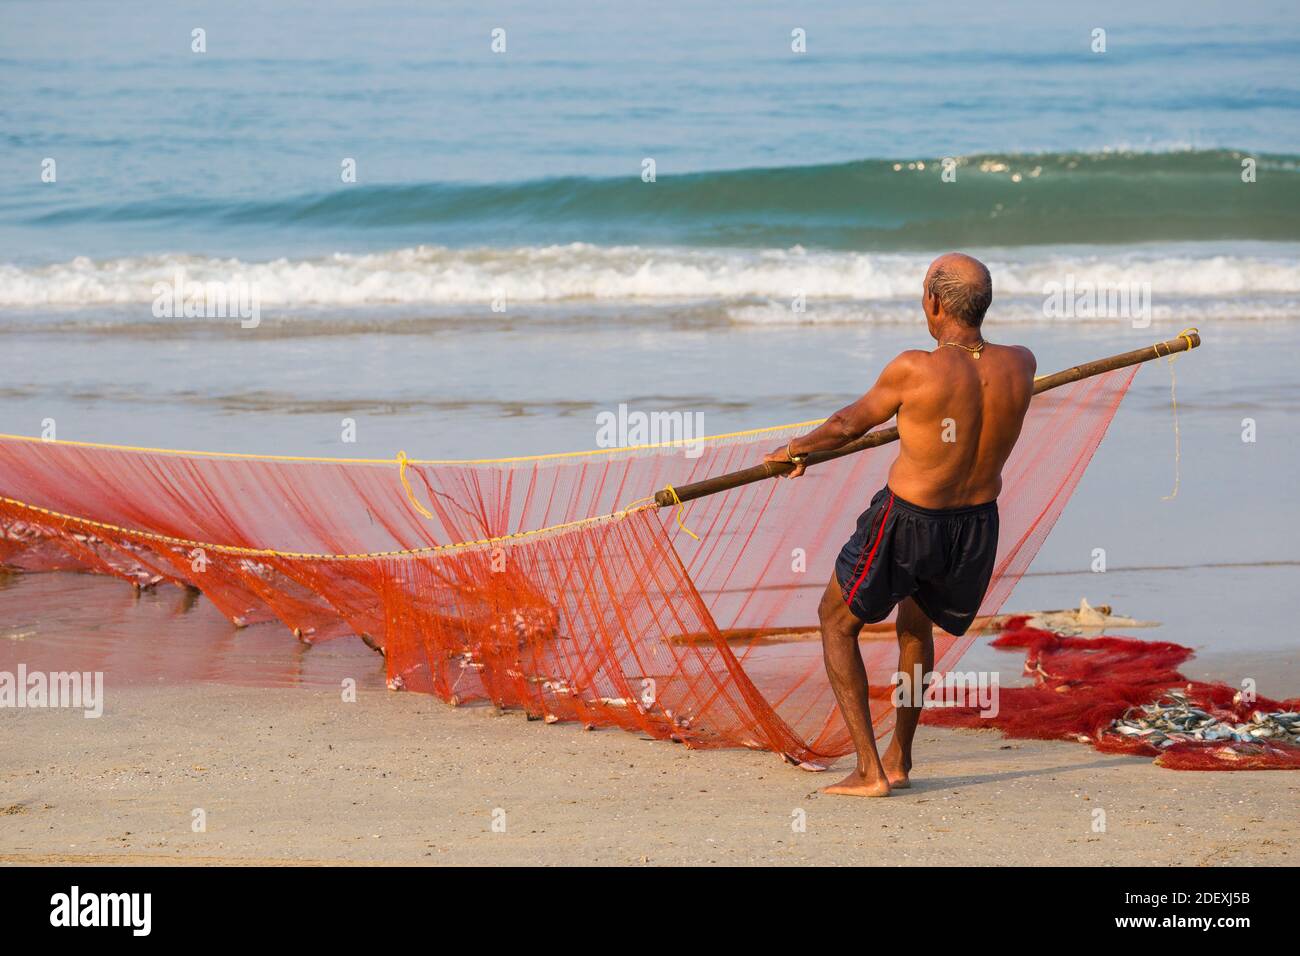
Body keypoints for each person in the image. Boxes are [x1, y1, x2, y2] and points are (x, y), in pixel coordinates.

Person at [764, 253, 1036, 797]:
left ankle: (870, 770)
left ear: (933, 303)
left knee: (836, 620)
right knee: (917, 625)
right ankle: (900, 758)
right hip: (975, 525)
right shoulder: (1022, 364)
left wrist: (795, 449)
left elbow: (845, 424)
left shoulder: (915, 367)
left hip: (910, 520)